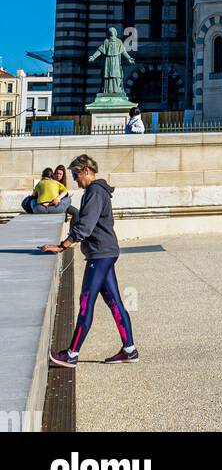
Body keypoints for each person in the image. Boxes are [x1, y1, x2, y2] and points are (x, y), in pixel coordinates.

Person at [41, 153, 139, 367]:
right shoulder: (97, 191)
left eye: (76, 174)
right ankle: (130, 349)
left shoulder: (94, 191)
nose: (75, 179)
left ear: (86, 170)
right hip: (105, 252)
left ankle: (72, 354)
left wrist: (62, 245)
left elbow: (86, 225)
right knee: (115, 302)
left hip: (100, 254)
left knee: (86, 303)